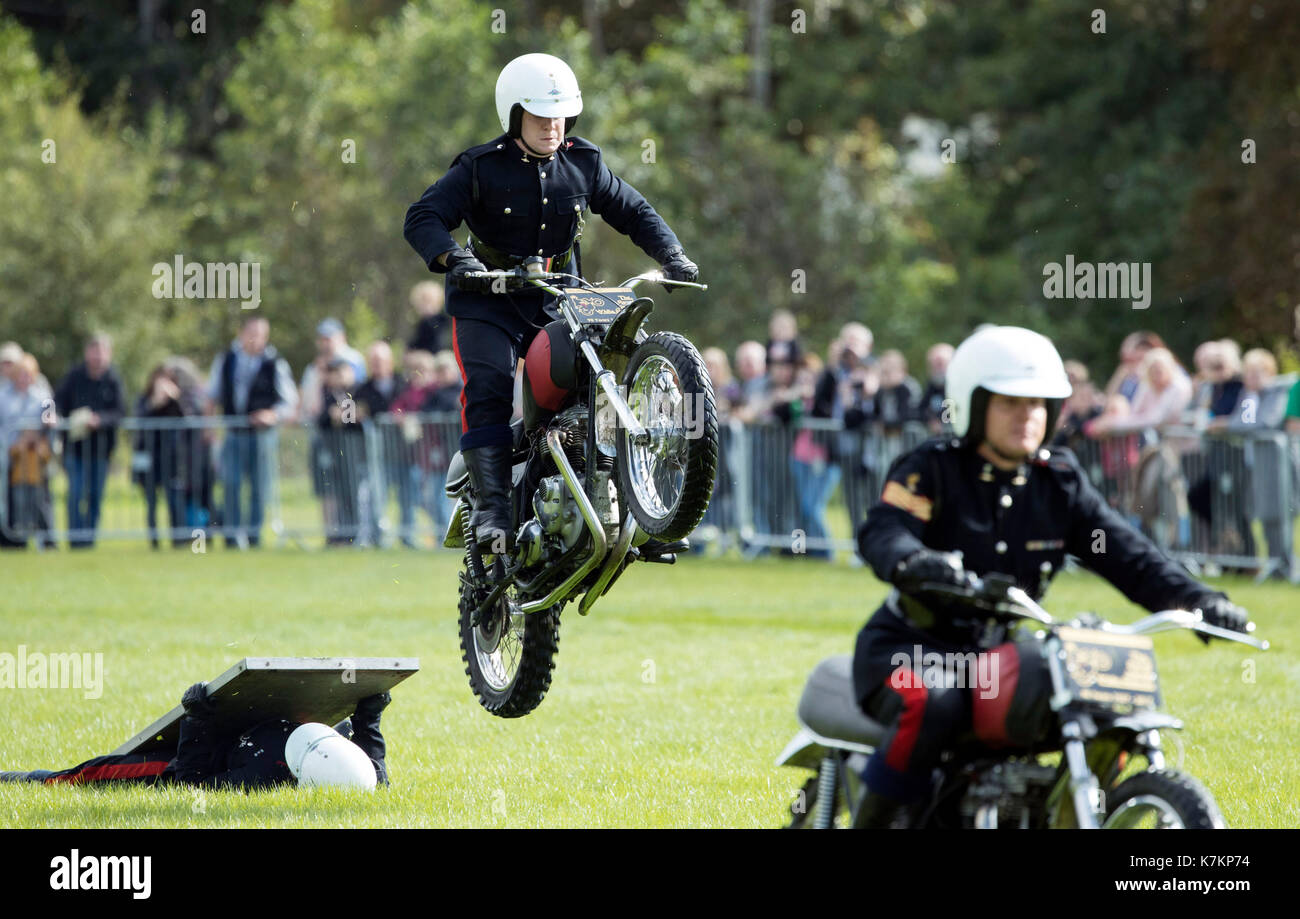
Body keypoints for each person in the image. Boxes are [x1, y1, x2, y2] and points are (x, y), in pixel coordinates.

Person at [850, 325, 1251, 828]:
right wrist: (914, 561)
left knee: (1090, 705)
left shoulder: (1057, 483)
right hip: (910, 647)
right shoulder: (931, 468)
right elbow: (885, 530)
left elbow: (1131, 556)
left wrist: (1200, 601)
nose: (1028, 416)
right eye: (1010, 403)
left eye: (1039, 404)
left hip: (999, 655)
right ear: (973, 405)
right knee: (935, 702)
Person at [403, 52, 699, 550]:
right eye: (540, 116)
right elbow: (423, 217)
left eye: (560, 115)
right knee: (491, 386)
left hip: (556, 299)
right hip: (487, 300)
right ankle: (494, 510)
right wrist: (456, 261)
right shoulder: (479, 167)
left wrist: (672, 254)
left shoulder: (584, 163)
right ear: (514, 114)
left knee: (596, 382)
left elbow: (634, 210)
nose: (552, 126)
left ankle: (638, 508)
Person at [0, 685, 391, 790]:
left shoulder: (254, 781)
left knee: (92, 775)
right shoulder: (353, 772)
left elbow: (192, 783)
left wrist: (197, 720)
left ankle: (27, 779)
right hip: (242, 731)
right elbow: (376, 771)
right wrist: (369, 716)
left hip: (191, 758)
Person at [206, 316, 298, 548]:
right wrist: (209, 428)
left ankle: (253, 535)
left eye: (260, 334)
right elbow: (211, 396)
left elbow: (290, 401)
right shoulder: (226, 359)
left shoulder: (274, 362)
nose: (255, 339)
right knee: (231, 484)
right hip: (234, 433)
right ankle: (232, 536)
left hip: (262, 436)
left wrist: (272, 415)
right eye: (251, 333)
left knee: (259, 487)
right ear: (242, 333)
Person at [54, 333, 127, 548]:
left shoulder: (113, 379)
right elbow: (57, 401)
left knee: (95, 496)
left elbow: (120, 412)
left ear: (109, 354)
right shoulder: (74, 376)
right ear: (87, 353)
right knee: (75, 494)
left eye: (101, 352)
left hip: (101, 451)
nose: (97, 357)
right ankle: (75, 539)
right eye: (94, 351)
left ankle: (89, 539)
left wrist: (100, 420)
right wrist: (53, 414)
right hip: (75, 449)